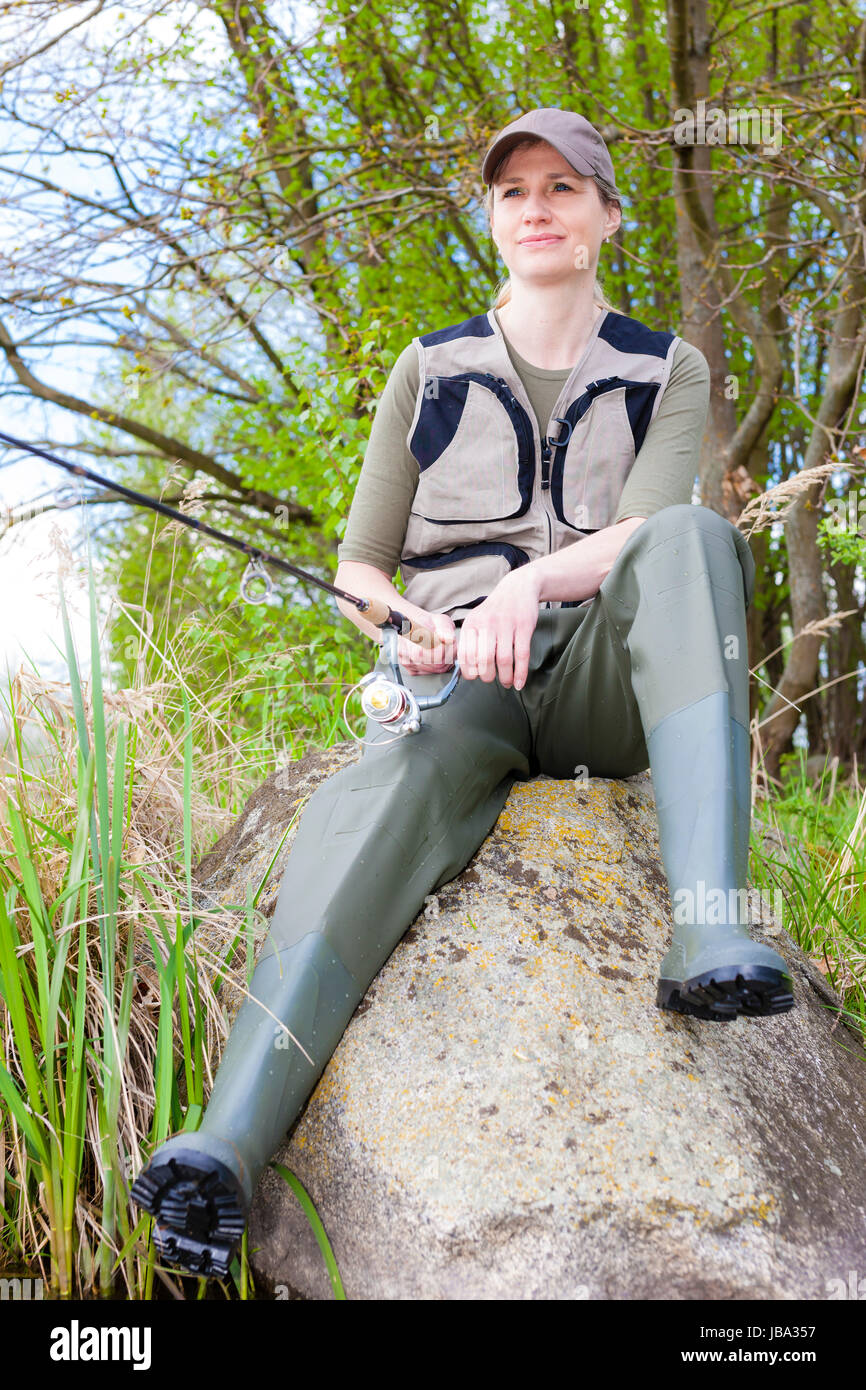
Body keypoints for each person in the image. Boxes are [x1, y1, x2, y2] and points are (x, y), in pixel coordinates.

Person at [130, 107, 795, 1278]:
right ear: (491, 219)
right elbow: (356, 567)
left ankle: (706, 931)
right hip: (456, 684)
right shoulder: (426, 367)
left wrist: (525, 590)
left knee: (696, 536)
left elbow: (641, 531)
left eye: (560, 188)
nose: (533, 207)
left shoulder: (666, 367)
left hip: (596, 680)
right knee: (383, 798)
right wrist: (405, 624)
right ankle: (226, 1143)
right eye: (510, 193)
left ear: (604, 214)